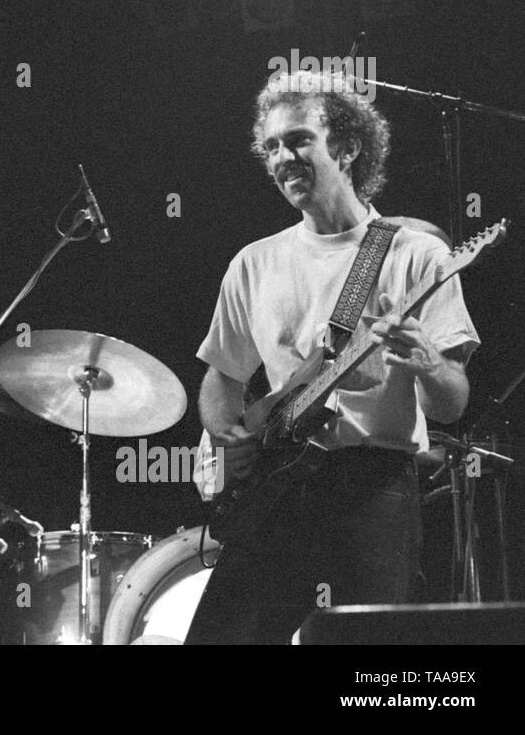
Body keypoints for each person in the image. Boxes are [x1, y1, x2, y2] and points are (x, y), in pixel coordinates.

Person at [186, 69, 479, 644]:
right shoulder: (254, 262)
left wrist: (426, 362)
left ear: (347, 148)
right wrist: (226, 435)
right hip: (273, 491)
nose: (281, 158)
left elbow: (451, 405)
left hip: (371, 490)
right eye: (270, 146)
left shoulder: (414, 252)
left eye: (298, 139)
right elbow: (221, 376)